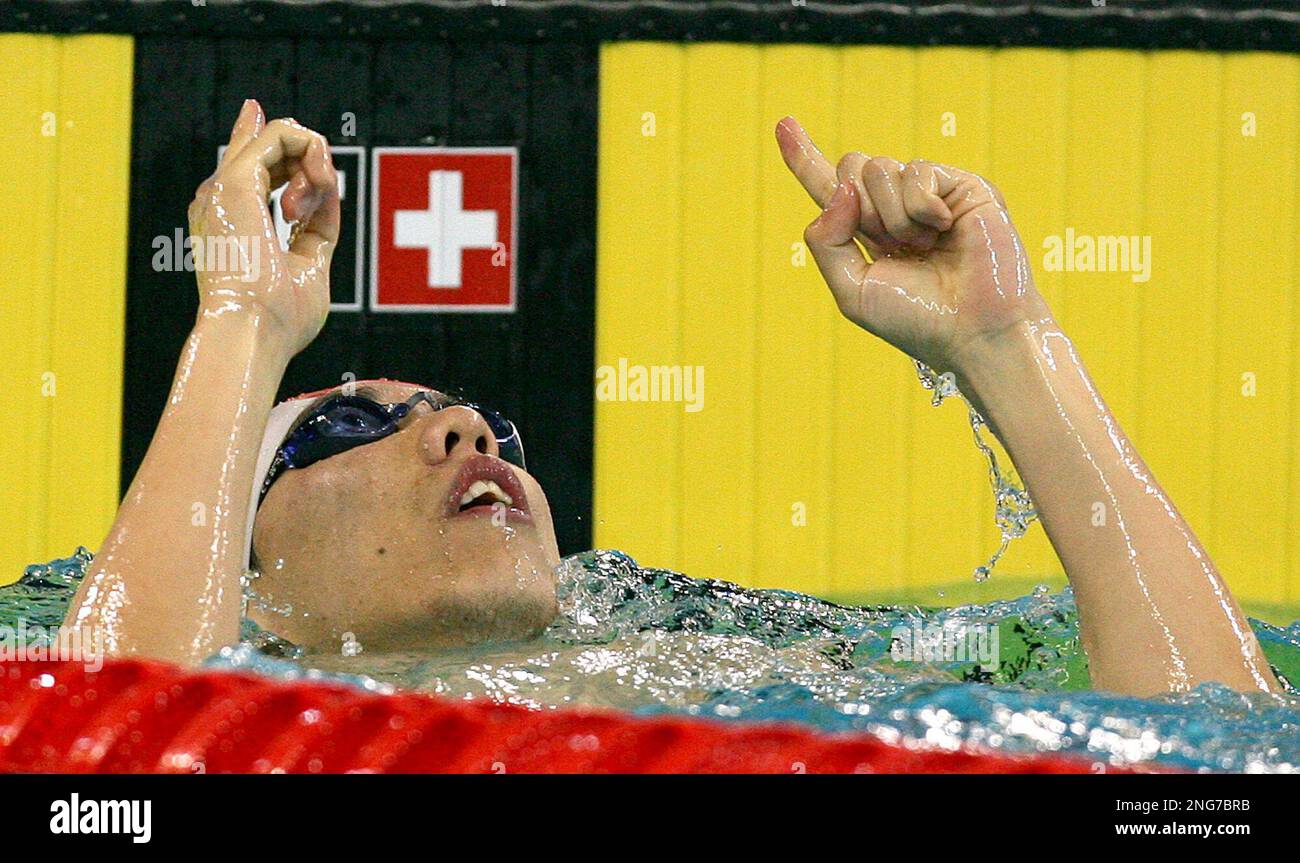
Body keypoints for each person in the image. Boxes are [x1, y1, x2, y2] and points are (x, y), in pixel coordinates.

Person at [64, 101, 1278, 698]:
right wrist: (244, 319)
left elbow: (1218, 775)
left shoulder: (714, 678)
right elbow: (100, 788)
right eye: (348, 423)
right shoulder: (249, 684)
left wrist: (1007, 345)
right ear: (251, 586)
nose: (465, 428)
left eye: (489, 426)